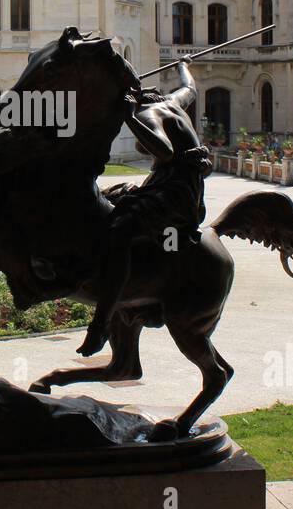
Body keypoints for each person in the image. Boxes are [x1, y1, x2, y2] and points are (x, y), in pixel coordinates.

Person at [72, 59, 211, 358]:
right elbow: (191, 86)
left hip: (172, 197)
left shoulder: (147, 114)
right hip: (184, 194)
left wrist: (129, 117)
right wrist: (183, 65)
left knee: (120, 230)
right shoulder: (173, 102)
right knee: (110, 200)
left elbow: (163, 150)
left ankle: (102, 321)